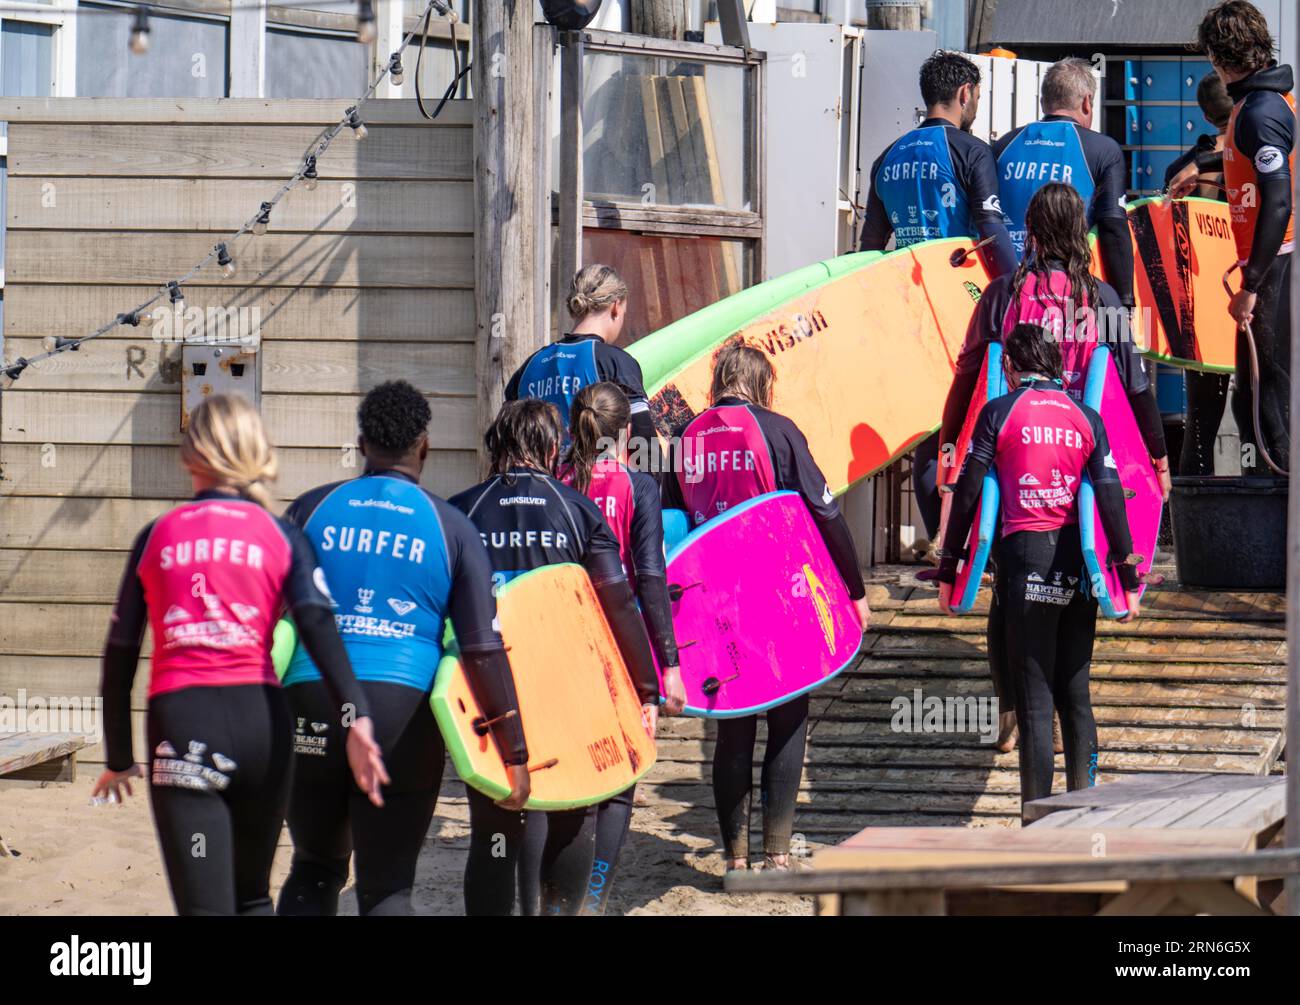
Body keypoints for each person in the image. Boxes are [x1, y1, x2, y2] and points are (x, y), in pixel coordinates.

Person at [95, 393, 387, 916]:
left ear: (191, 456)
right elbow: (318, 623)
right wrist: (357, 716)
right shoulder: (282, 535)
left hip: (184, 727)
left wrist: (118, 758)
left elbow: (119, 656)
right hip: (263, 728)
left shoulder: (156, 536)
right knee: (253, 899)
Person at [276, 381, 529, 917]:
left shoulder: (307, 509)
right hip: (402, 714)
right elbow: (482, 649)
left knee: (314, 867)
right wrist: (515, 752)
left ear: (362, 443)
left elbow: (267, 618)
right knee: (388, 888)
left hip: (310, 703)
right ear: (425, 447)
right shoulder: (452, 528)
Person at [938, 182, 1168, 753]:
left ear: (1033, 235)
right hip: (1082, 457)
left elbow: (968, 376)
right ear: (1082, 234)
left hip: (1012, 454)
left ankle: (1012, 712)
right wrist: (1159, 455)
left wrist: (949, 444)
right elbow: (1136, 388)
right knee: (1077, 569)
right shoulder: (1105, 301)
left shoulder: (999, 296)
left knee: (1008, 584)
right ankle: (1067, 711)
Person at [663, 343, 871, 873]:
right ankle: (777, 854)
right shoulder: (777, 430)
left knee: (733, 722)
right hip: (776, 593)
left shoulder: (686, 438)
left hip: (713, 597)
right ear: (761, 384)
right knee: (787, 717)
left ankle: (734, 858)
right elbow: (824, 511)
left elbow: (672, 524)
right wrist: (852, 588)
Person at [449, 398, 660, 915]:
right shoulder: (576, 508)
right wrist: (646, 687)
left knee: (494, 826)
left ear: (496, 446)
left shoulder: (459, 511)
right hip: (566, 683)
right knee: (571, 808)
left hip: (484, 688)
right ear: (551, 447)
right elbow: (618, 603)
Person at [937, 324, 1143, 820]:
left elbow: (968, 493)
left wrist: (951, 565)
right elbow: (1111, 499)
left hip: (1024, 563)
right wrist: (1127, 577)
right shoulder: (1085, 417)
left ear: (1010, 366)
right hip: (1078, 564)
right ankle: (1086, 811)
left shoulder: (999, 412)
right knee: (1076, 695)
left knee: (1034, 704)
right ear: (1055, 365)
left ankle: (1038, 820)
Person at [860, 49, 1017, 546]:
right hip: (964, 310)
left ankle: (943, 545)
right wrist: (1019, 291)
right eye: (977, 97)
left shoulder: (887, 157)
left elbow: (868, 250)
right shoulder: (972, 153)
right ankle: (980, 548)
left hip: (907, 313)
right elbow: (992, 230)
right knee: (981, 426)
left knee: (933, 435)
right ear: (965, 94)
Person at [558, 382, 686, 913]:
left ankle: (557, 899)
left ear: (574, 428)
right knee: (619, 776)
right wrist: (669, 665)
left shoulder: (555, 481)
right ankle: (592, 900)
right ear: (627, 433)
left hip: (559, 641)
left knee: (568, 775)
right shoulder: (639, 485)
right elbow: (652, 577)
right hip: (619, 648)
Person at [1195, 0, 1294, 476]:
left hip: (1277, 266)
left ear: (1219, 56)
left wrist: (1252, 283)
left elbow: (1278, 202)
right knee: (1252, 400)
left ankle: (1278, 531)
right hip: (1269, 265)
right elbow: (1251, 159)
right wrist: (1203, 165)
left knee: (1269, 408)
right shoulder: (1257, 107)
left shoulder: (1260, 110)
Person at [995, 57, 1135, 313]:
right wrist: (1124, 306)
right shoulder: (1102, 149)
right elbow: (1113, 228)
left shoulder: (1004, 145)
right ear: (1086, 102)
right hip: (1071, 298)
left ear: (1043, 102)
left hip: (1008, 292)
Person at [506, 264, 660, 467]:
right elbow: (645, 449)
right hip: (593, 491)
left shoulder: (530, 365)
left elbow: (506, 440)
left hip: (537, 491)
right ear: (615, 307)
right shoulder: (615, 363)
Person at [1166, 72, 1236, 476]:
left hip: (1201, 308)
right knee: (1260, 415)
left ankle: (1193, 510)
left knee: (1200, 418)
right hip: (1251, 298)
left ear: (1206, 116)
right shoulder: (1250, 160)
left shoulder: (1182, 169)